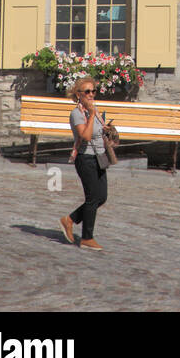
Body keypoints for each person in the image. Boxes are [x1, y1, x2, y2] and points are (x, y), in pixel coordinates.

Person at [59, 77, 116, 250]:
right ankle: (86, 238)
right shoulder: (77, 113)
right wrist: (91, 115)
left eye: (93, 91)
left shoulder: (95, 110)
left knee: (102, 197)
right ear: (78, 95)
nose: (91, 95)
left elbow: (98, 131)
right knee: (92, 198)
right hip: (85, 159)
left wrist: (107, 129)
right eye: (87, 92)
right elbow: (86, 135)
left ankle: (69, 219)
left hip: (99, 157)